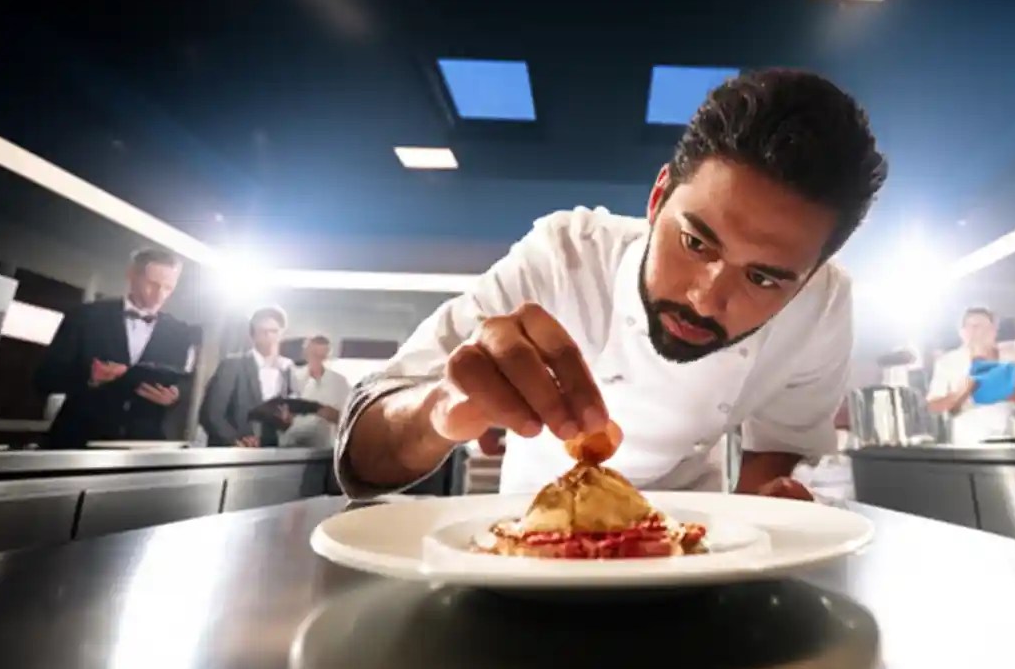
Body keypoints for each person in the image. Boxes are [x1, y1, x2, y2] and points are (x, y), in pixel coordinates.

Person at [337, 68, 887, 501]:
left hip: (694, 545)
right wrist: (438, 408)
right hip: (531, 543)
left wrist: (763, 514)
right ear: (657, 199)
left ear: (810, 278)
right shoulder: (563, 256)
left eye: (764, 278)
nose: (705, 297)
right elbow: (362, 453)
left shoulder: (824, 306)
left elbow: (781, 446)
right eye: (696, 242)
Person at [35, 248, 196, 447]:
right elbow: (44, 378)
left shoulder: (181, 333)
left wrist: (174, 398)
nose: (159, 296)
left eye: (168, 288)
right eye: (153, 284)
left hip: (142, 446)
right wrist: (90, 377)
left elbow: (180, 385)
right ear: (131, 275)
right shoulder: (86, 316)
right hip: (78, 438)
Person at [927, 307, 1015, 444]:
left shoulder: (1014, 354)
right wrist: (963, 392)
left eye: (983, 327)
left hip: (1013, 433)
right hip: (969, 438)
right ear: (962, 333)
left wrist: (1003, 390)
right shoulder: (947, 362)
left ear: (994, 330)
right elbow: (934, 406)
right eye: (971, 327)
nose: (977, 333)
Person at [199, 306, 294, 447]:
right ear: (252, 334)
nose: (269, 336)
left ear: (282, 334)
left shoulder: (287, 371)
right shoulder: (232, 365)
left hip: (273, 453)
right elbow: (211, 414)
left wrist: (288, 421)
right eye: (263, 331)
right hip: (233, 454)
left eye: (274, 331)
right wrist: (235, 441)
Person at [280, 335, 351, 449]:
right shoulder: (291, 378)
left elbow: (349, 419)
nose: (318, 361)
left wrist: (332, 414)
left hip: (325, 450)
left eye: (322, 357)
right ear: (305, 354)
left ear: (329, 357)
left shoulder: (340, 383)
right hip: (291, 447)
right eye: (314, 355)